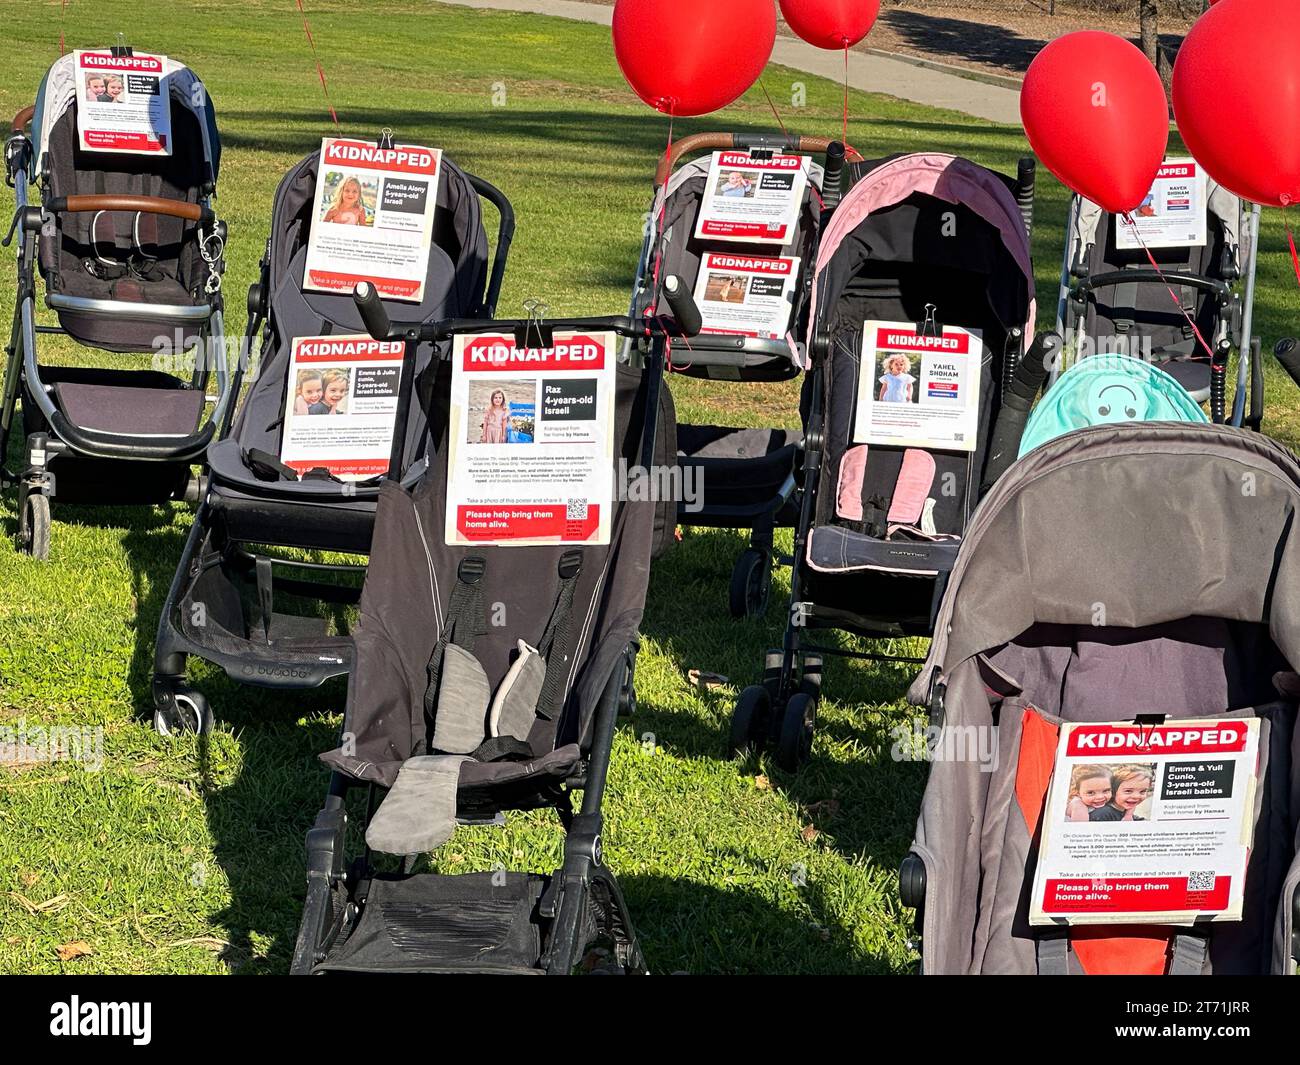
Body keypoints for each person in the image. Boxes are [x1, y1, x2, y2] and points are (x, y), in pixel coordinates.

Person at [1089, 765, 1153, 822]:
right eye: (1128, 791)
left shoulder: (1124, 808)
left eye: (1142, 791)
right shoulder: (1102, 814)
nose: (1136, 796)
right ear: (1113, 791)